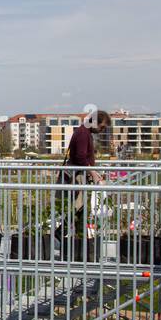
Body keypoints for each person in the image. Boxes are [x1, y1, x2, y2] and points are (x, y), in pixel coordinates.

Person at [56, 110, 111, 260]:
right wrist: (92, 172)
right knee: (78, 210)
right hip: (77, 175)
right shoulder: (83, 134)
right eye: (102, 127)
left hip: (79, 175)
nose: (102, 130)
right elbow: (80, 157)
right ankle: (66, 237)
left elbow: (83, 156)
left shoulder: (84, 132)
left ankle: (77, 242)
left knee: (79, 211)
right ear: (95, 122)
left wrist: (93, 172)